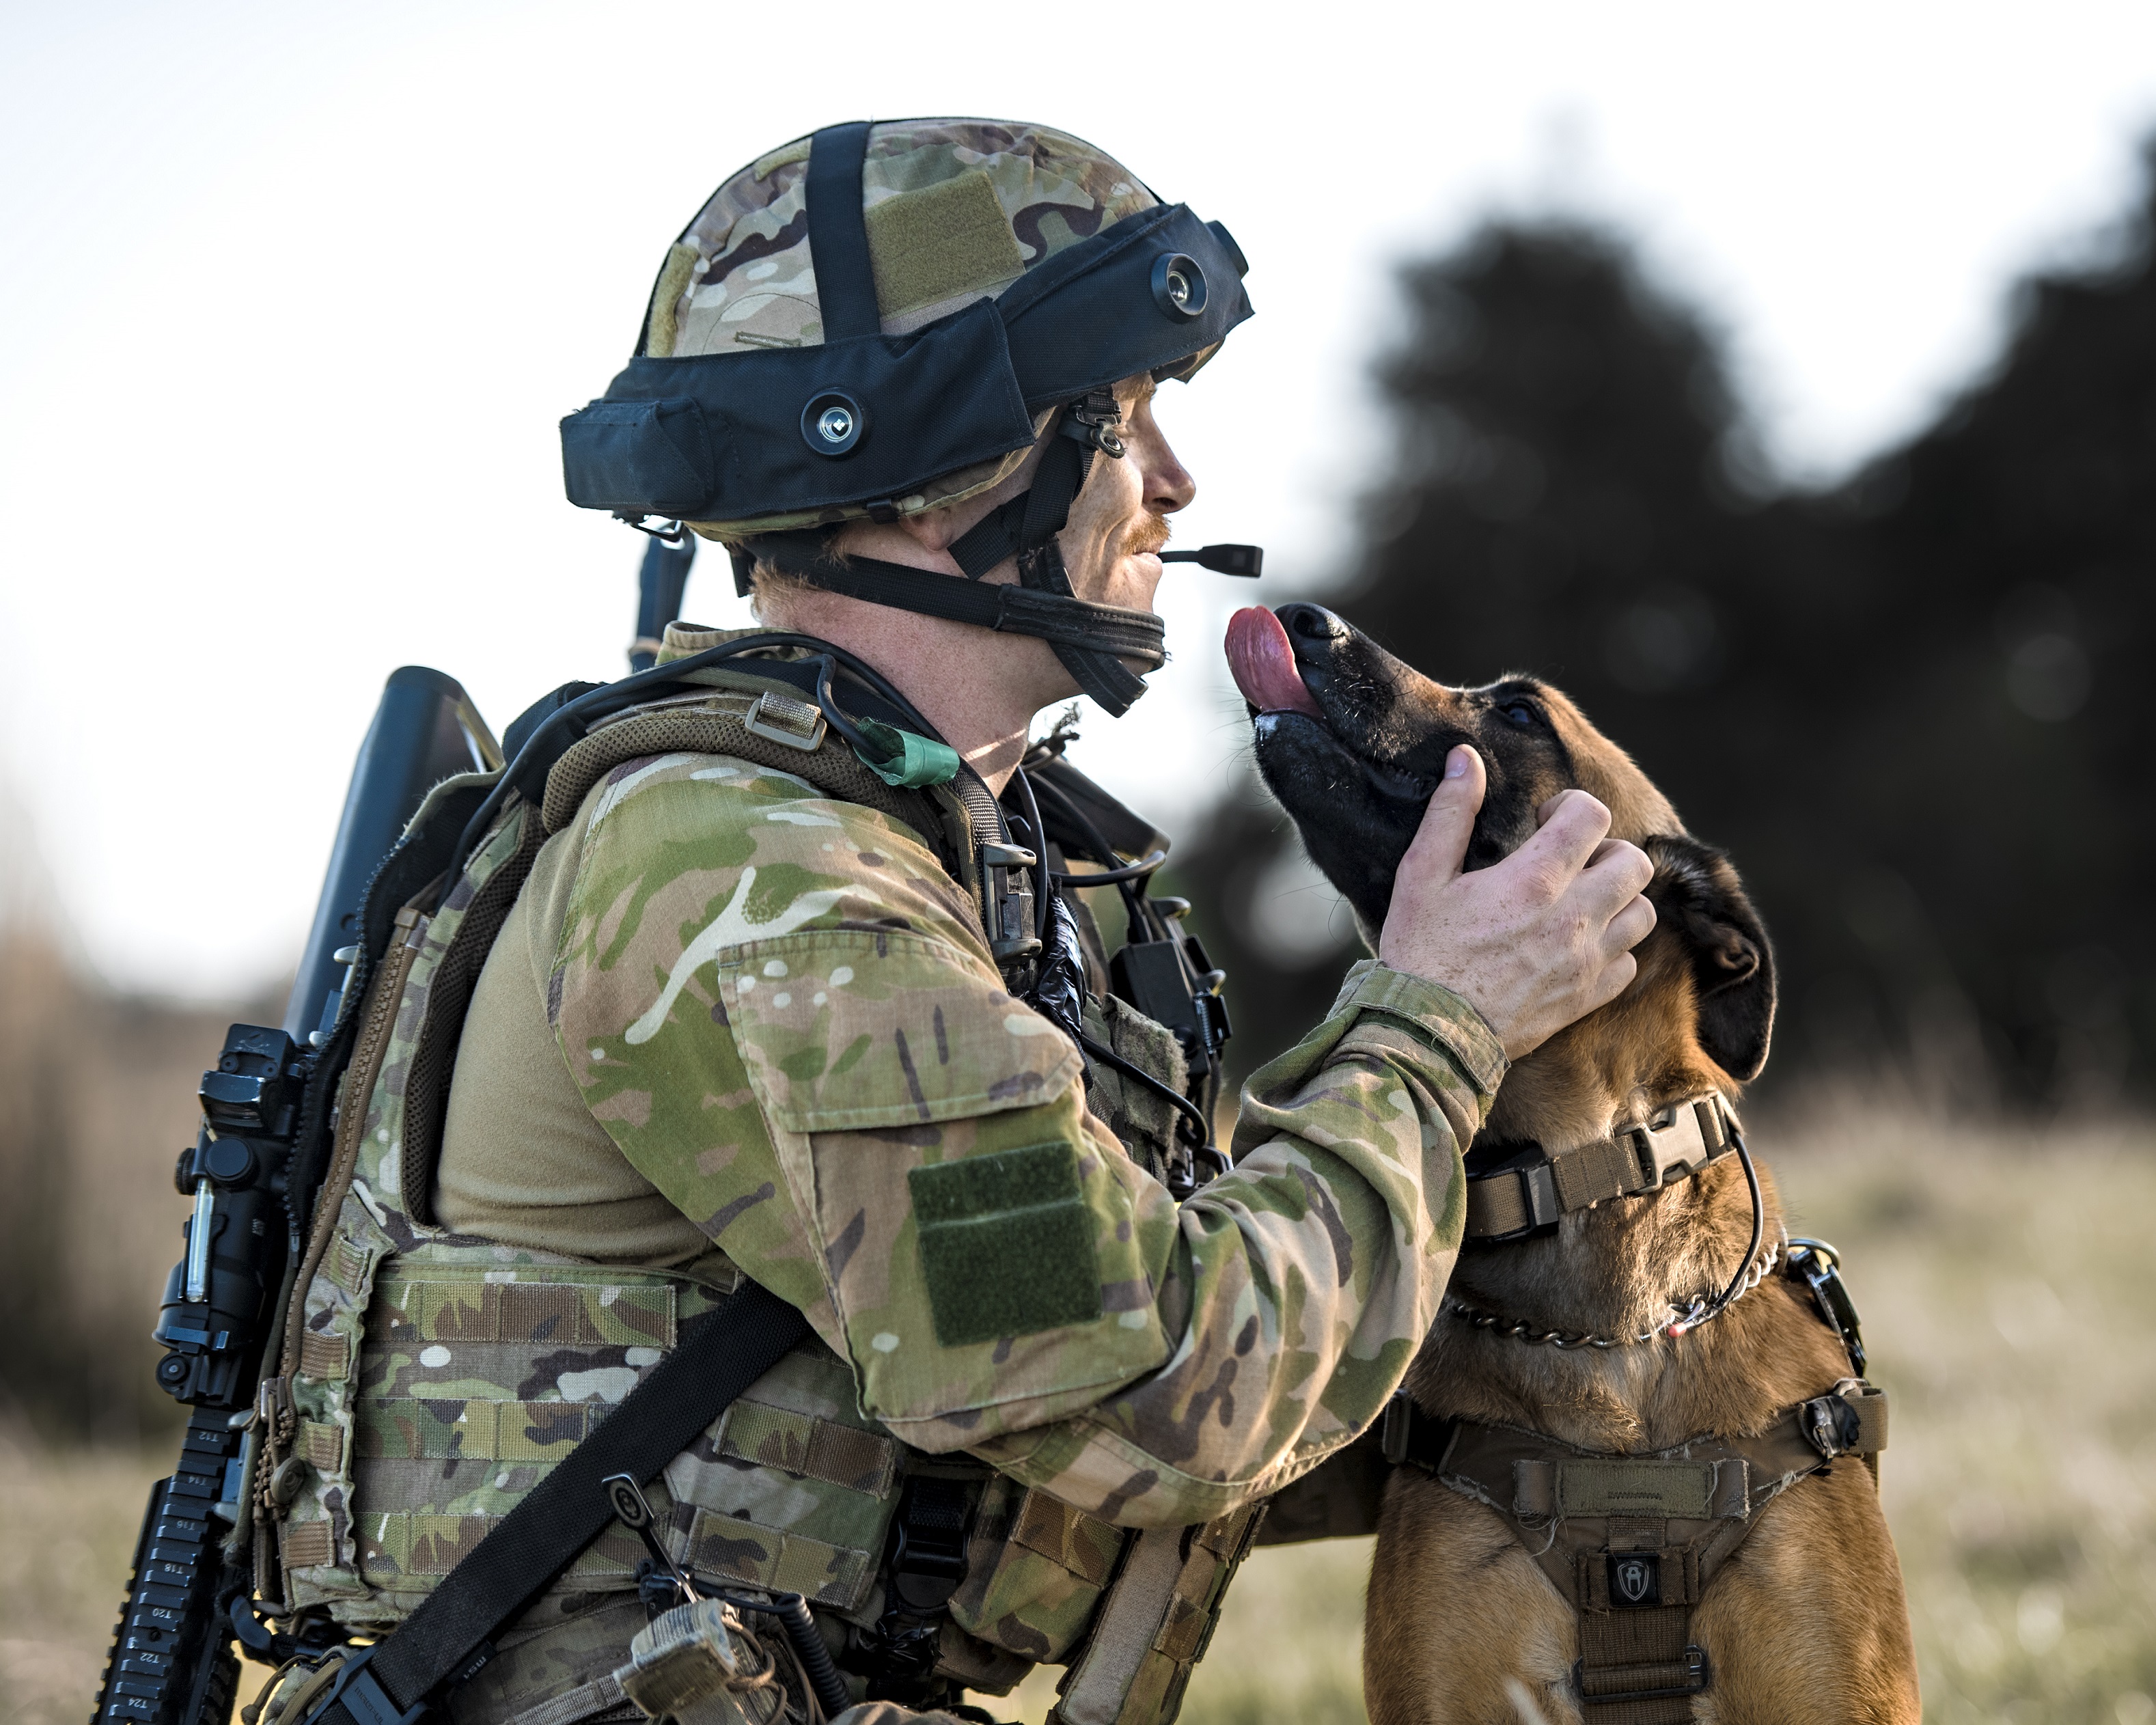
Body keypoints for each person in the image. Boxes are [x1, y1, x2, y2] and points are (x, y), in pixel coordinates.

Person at [262, 119, 1653, 1725]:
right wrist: (1438, 1022)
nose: (1175, 484)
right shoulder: (751, 880)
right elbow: (1168, 1387)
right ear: (937, 467)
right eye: (1121, 420)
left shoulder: (949, 860)